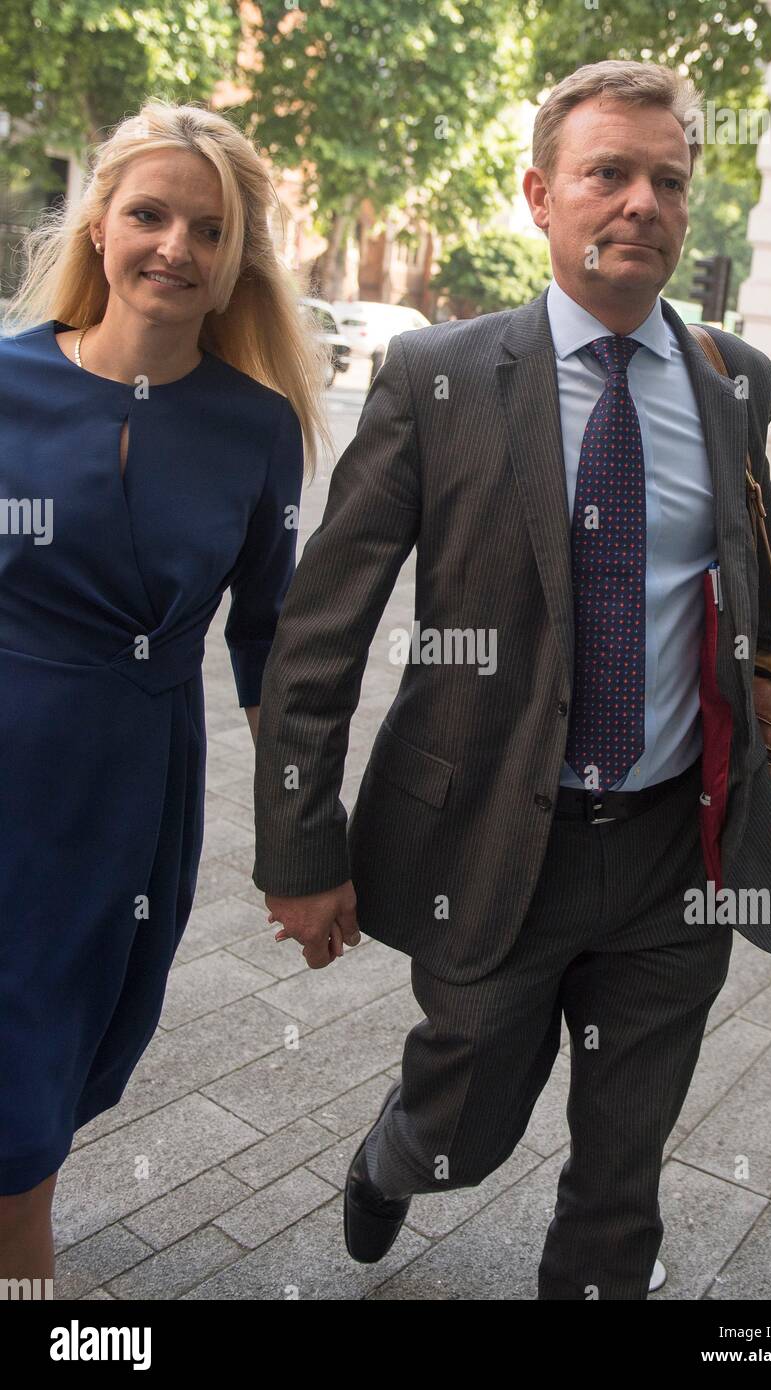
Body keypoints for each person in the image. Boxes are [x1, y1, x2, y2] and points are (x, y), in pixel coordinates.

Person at [251, 60, 771, 1299]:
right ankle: (394, 1159)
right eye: (608, 173)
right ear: (538, 194)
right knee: (466, 1129)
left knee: (624, 1174)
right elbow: (320, 632)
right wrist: (301, 844)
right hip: (491, 843)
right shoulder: (435, 377)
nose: (641, 203)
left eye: (668, 179)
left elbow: (753, 593)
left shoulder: (734, 383)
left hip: (677, 857)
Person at [0, 98, 331, 1282]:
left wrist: (302, 845)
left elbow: (268, 649)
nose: (175, 249)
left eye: (210, 228)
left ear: (238, 256)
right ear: (98, 224)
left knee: (46, 1060)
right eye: (148, 214)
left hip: (128, 798)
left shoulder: (257, 429)